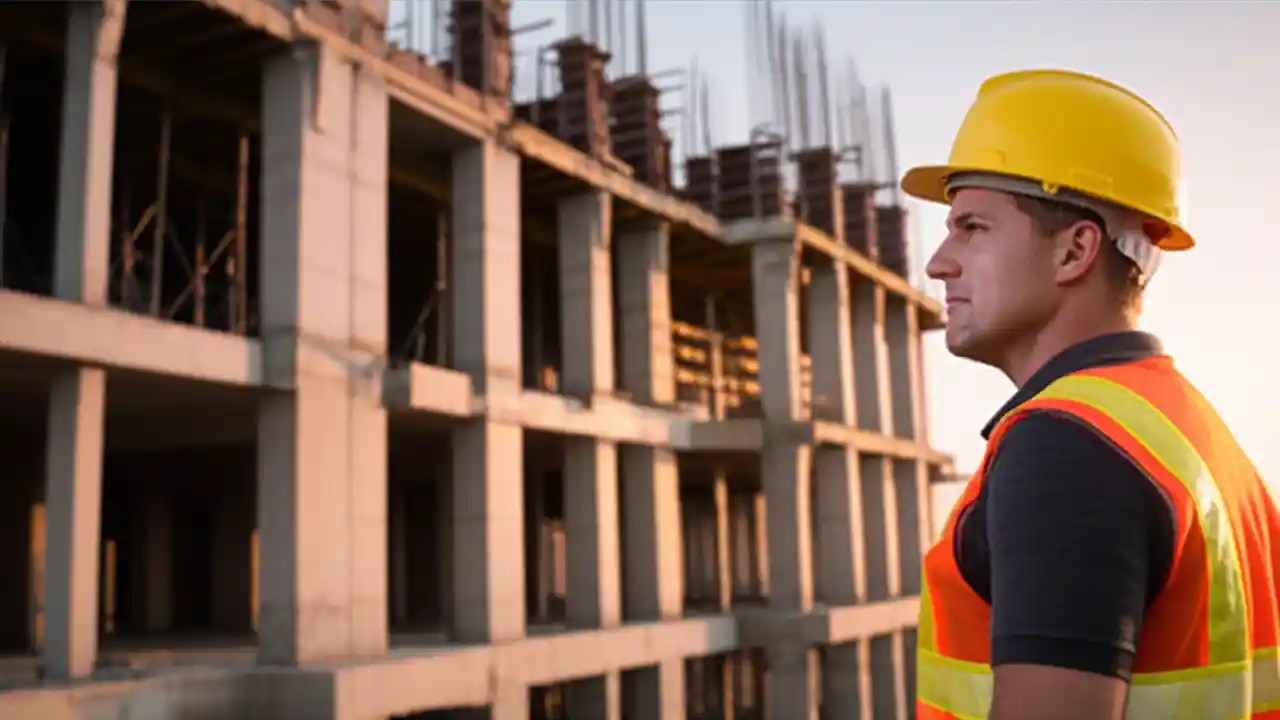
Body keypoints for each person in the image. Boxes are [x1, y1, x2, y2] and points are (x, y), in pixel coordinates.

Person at [901, 69, 1280, 719]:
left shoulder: (1068, 444)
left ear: (1074, 251)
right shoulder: (1192, 431)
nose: (939, 261)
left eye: (972, 228)